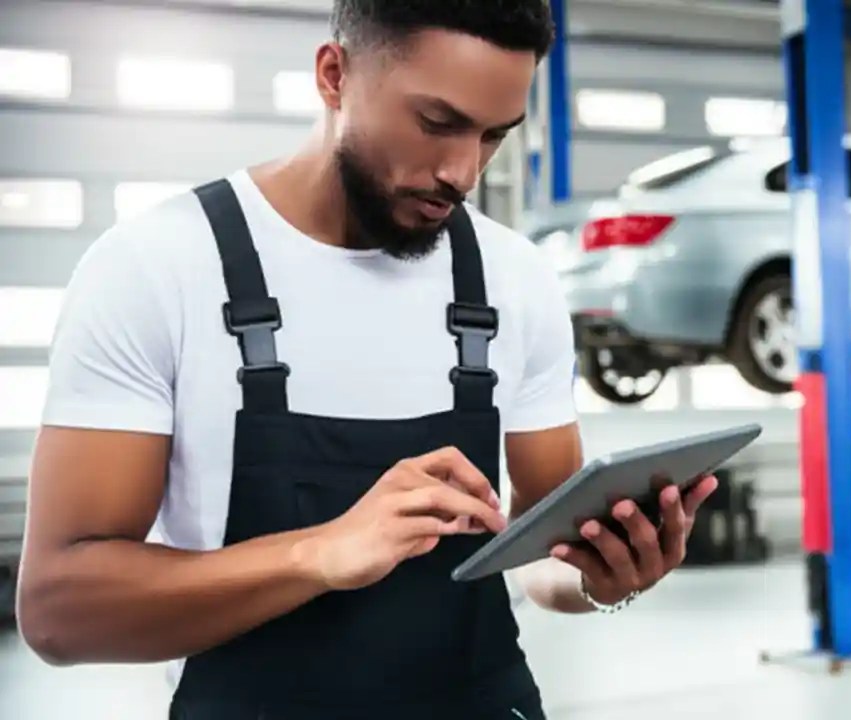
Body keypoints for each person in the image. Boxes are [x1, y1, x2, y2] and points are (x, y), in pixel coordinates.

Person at [15, 1, 719, 717]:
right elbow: (59, 611)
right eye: (436, 123)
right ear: (333, 75)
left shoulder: (516, 280)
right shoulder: (156, 268)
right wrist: (319, 553)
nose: (462, 172)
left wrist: (604, 576)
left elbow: (541, 563)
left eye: (493, 137)